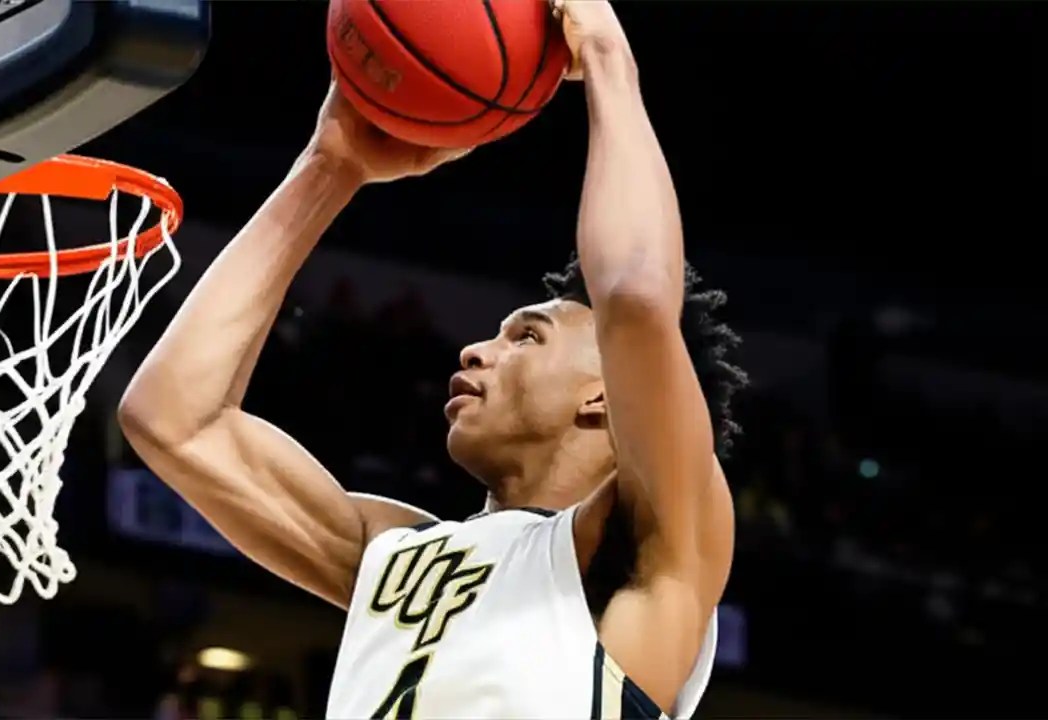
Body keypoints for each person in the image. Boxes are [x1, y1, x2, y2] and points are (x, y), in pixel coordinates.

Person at [119, 1, 747, 717]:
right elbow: (174, 420)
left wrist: (608, 56)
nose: (477, 350)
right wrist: (329, 166)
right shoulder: (393, 553)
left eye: (527, 336)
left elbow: (635, 295)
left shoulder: (641, 547)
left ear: (603, 396)